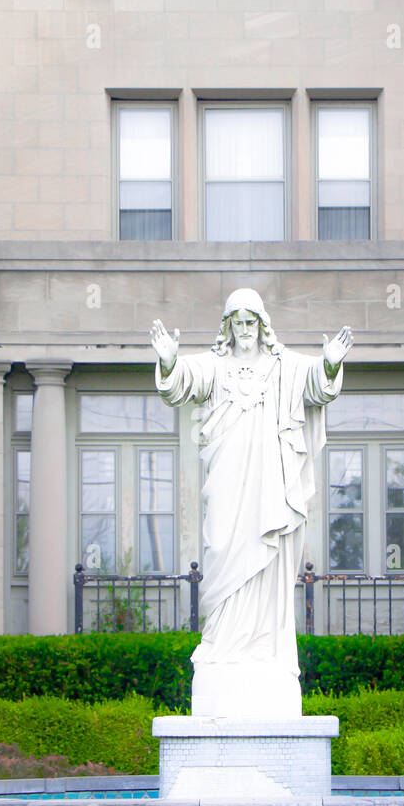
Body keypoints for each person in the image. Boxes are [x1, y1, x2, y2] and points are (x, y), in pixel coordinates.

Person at [150, 288, 353, 718]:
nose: (244, 331)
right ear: (227, 327)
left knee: (267, 554)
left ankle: (263, 645)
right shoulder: (215, 366)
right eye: (237, 323)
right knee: (222, 546)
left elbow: (318, 386)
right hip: (226, 475)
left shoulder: (284, 367)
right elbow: (181, 383)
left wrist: (331, 363)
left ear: (262, 325)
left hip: (270, 483)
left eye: (251, 323)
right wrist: (168, 360)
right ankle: (222, 643)